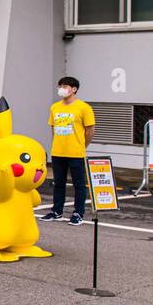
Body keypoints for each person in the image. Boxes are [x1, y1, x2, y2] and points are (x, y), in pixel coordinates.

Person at [42, 76, 95, 225]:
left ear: (74, 89)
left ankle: (78, 213)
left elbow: (90, 130)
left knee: (79, 184)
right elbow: (53, 128)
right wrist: (57, 144)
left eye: (65, 86)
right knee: (58, 183)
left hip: (76, 152)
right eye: (60, 86)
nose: (61, 89)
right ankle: (56, 211)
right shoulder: (55, 107)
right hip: (58, 152)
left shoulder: (84, 107)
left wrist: (83, 145)